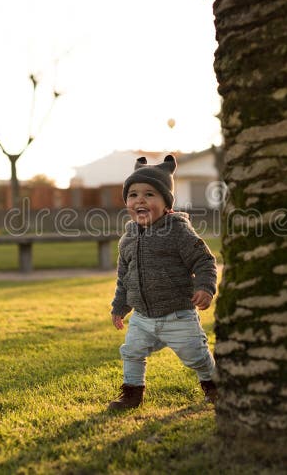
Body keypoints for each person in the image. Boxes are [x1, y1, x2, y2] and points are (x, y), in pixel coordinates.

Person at [108, 154, 218, 410]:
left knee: (197, 356)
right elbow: (124, 278)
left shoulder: (178, 230)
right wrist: (119, 307)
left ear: (166, 202)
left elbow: (204, 261)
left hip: (178, 314)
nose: (140, 200)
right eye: (133, 195)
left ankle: (213, 385)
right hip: (143, 317)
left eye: (149, 194)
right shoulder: (128, 238)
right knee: (132, 352)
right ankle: (132, 393)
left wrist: (204, 287)